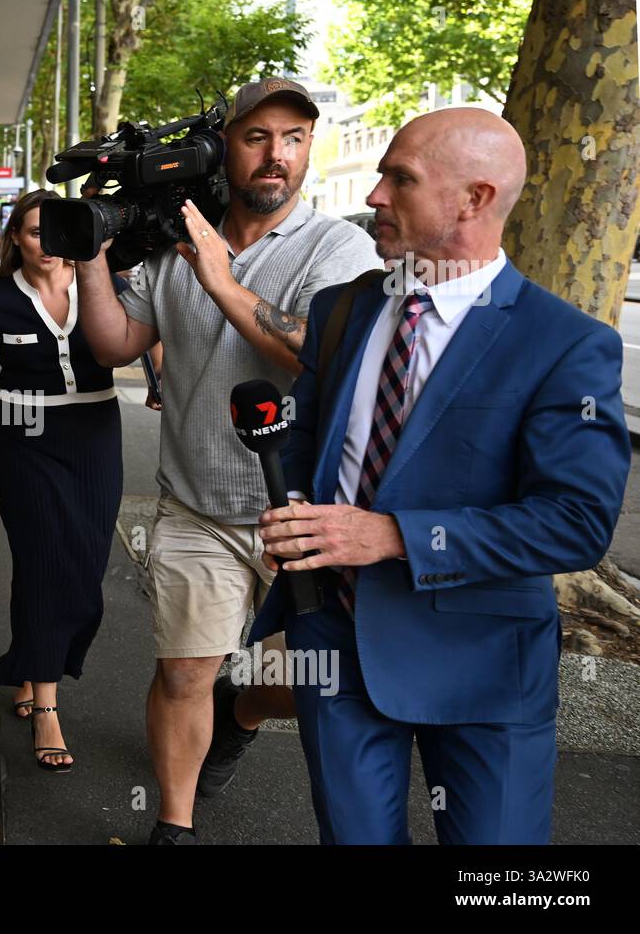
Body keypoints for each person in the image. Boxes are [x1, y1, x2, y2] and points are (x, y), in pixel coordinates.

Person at [254, 107, 629, 844]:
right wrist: (297, 527)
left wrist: (392, 535)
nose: (374, 195)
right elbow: (305, 447)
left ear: (475, 199)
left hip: (485, 670)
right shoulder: (343, 310)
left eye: (401, 178)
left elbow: (576, 522)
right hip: (337, 640)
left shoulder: (567, 345)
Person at [75, 77, 381, 844]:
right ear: (225, 148)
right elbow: (115, 345)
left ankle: (240, 711)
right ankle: (174, 827)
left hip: (303, 515)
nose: (276, 156)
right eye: (257, 138)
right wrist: (87, 255)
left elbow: (318, 349)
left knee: (302, 682)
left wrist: (221, 277)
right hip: (195, 506)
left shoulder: (337, 246)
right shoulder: (180, 236)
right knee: (183, 675)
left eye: (294, 139)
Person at [0, 189, 127, 771]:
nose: (46, 244)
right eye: (33, 232)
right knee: (45, 556)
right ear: (12, 241)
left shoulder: (103, 285)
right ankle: (47, 700)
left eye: (56, 232)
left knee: (85, 560)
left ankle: (31, 662)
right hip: (23, 439)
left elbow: (142, 333)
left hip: (95, 436)